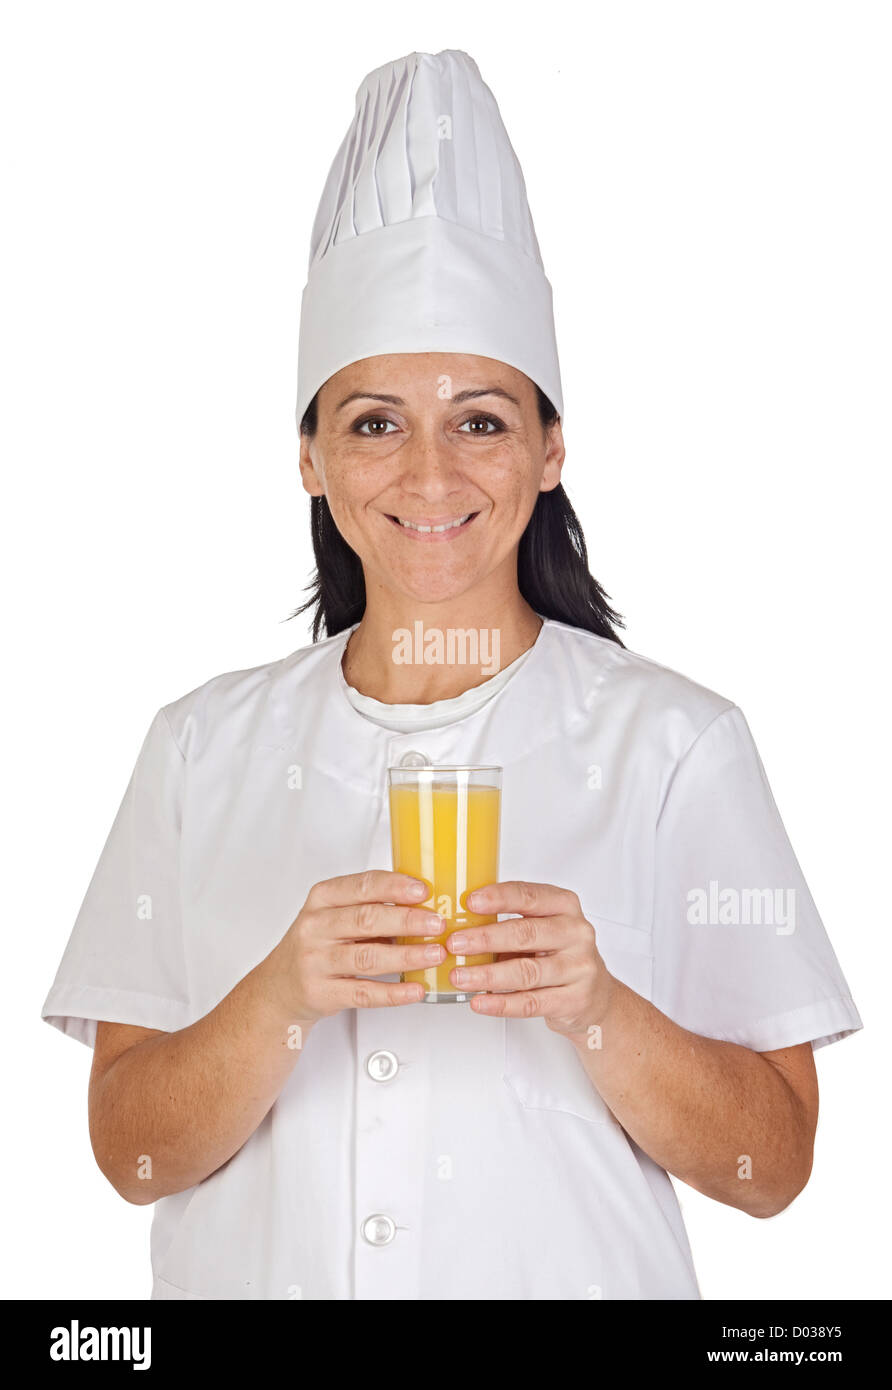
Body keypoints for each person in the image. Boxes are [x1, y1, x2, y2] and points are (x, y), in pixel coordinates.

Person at [42, 49, 862, 1301]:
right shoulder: (198, 748)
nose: (428, 476)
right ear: (310, 458)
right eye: (374, 421)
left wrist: (597, 1005)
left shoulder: (672, 746)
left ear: (549, 451)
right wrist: (280, 995)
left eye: (479, 418)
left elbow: (774, 1165)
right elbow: (131, 1154)